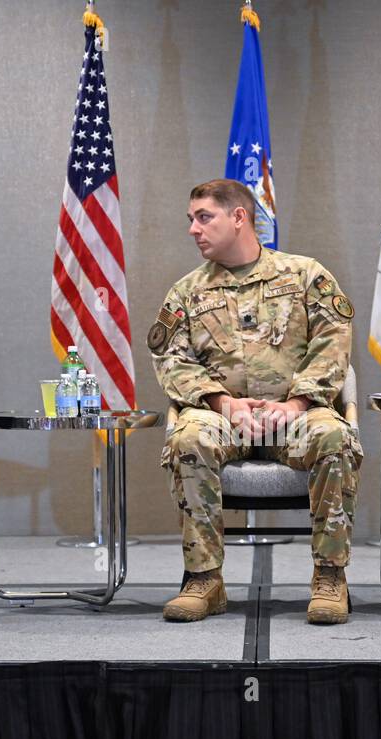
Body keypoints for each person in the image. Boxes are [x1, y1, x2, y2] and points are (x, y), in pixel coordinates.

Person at [151, 179, 362, 624]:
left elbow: (334, 342)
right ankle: (204, 579)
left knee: (335, 436)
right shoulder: (186, 293)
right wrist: (221, 401)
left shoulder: (305, 275)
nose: (193, 228)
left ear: (239, 218)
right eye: (191, 219)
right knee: (188, 437)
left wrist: (298, 404)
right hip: (221, 417)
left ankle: (330, 576)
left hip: (295, 415)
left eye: (204, 217)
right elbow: (170, 359)